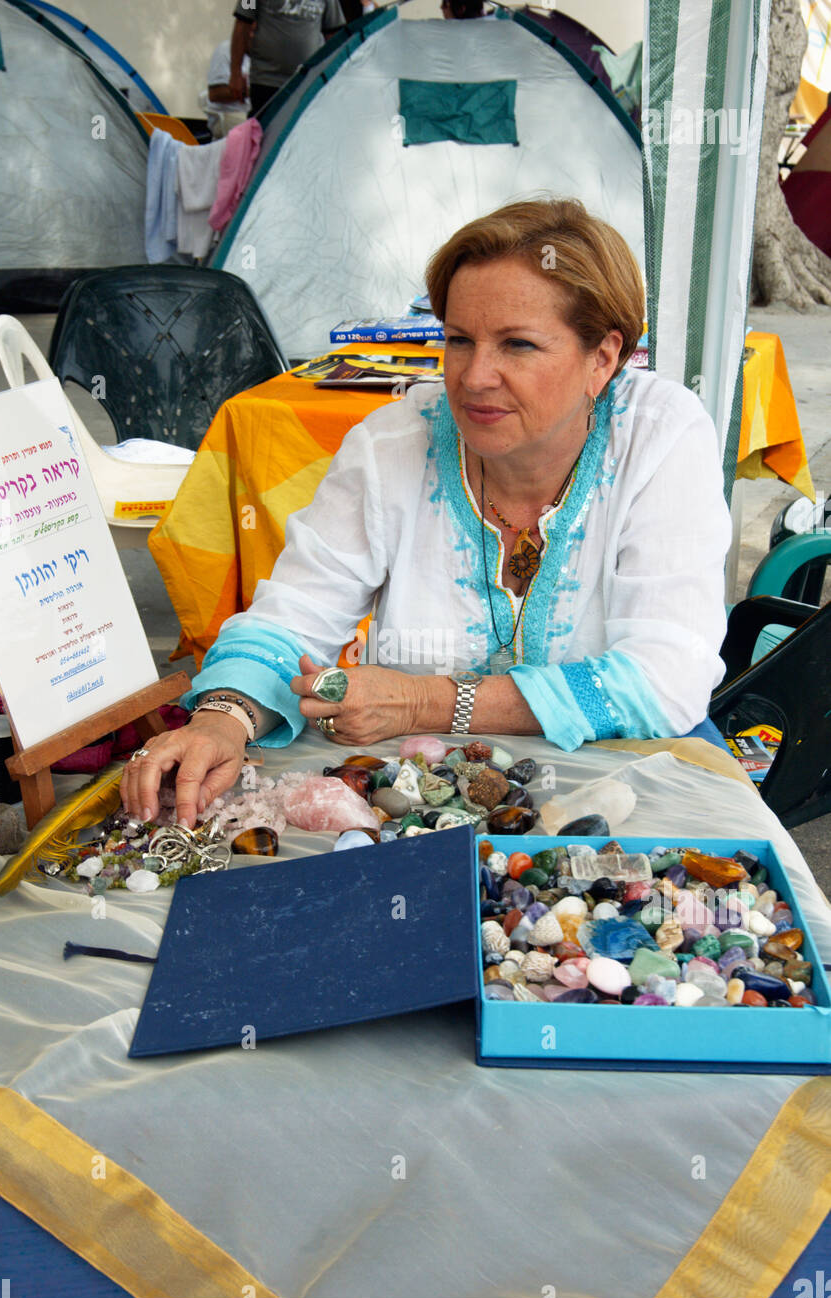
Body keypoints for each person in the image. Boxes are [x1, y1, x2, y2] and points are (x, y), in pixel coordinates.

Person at [121, 197, 731, 828]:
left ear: (603, 358)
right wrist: (222, 718)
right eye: (460, 340)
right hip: (427, 793)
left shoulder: (660, 437)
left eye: (517, 344)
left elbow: (663, 680)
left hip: (628, 780)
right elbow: (294, 614)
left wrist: (426, 703)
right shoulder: (393, 443)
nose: (474, 377)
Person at [229, 0, 345, 118]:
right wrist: (235, 73)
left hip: (307, 82)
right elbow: (242, 24)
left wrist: (337, 77)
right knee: (263, 131)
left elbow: (334, 34)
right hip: (266, 80)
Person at [202, 32, 253, 139]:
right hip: (233, 114)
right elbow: (215, 94)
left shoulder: (268, 55)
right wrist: (249, 91)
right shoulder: (225, 50)